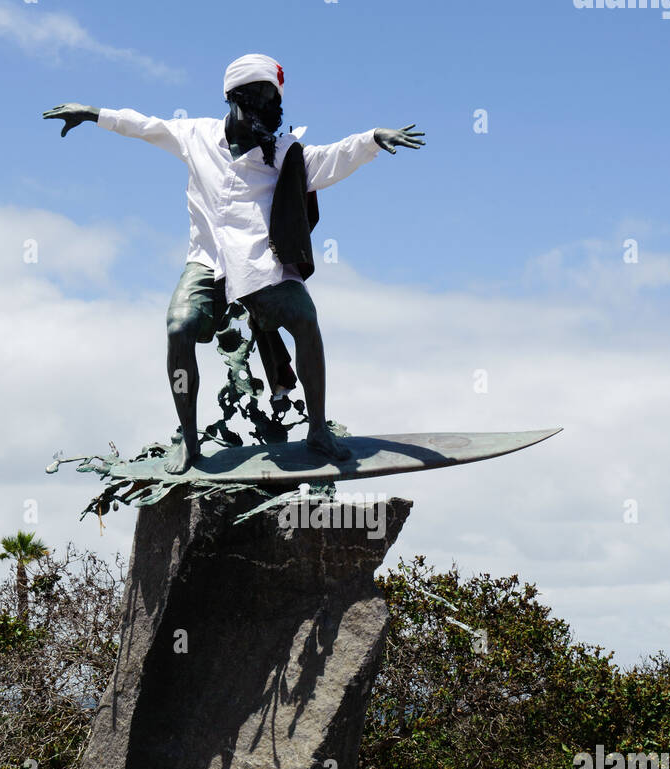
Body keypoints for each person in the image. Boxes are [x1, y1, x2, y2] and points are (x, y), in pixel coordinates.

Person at [43, 54, 424, 473]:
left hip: (261, 265)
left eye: (273, 101)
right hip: (207, 262)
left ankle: (317, 430)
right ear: (233, 98)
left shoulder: (284, 153)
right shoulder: (197, 135)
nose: (268, 110)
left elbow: (332, 158)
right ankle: (188, 442)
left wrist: (371, 139)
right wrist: (94, 114)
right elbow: (145, 126)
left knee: (305, 317)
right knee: (179, 326)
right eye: (259, 98)